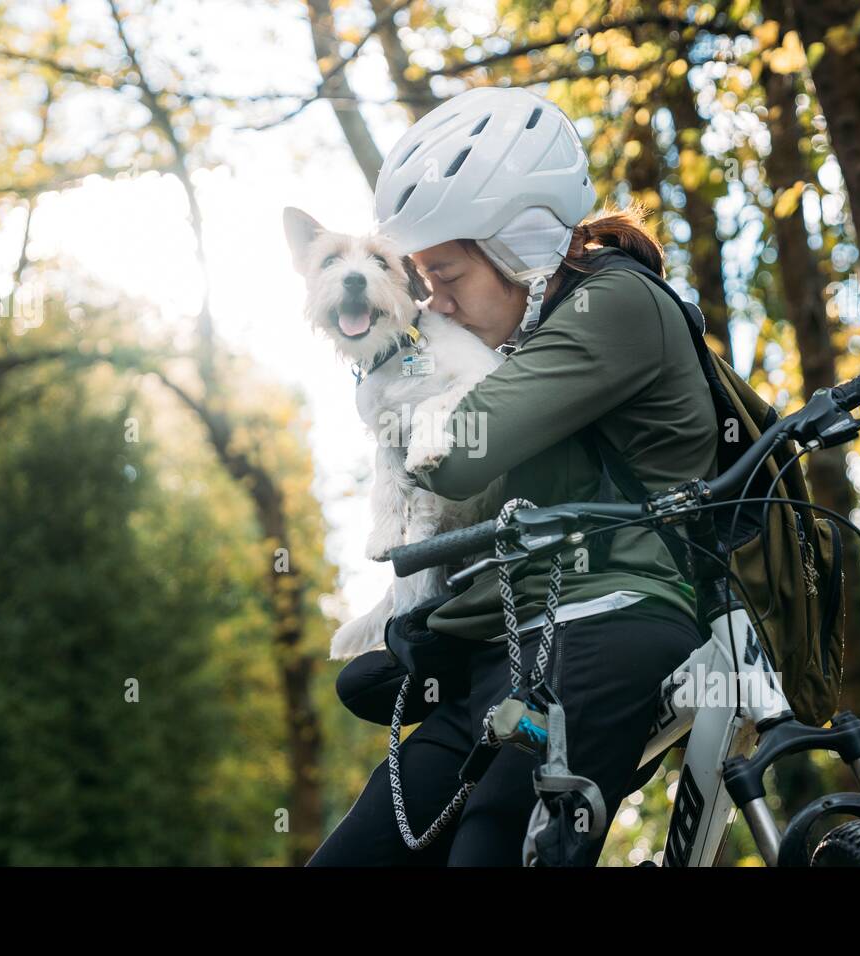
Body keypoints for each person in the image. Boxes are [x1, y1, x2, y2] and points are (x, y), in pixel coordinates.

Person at [307, 87, 718, 867]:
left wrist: (401, 398)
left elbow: (456, 452)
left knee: (493, 850)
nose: (435, 301)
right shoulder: (517, 345)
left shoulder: (614, 304)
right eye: (422, 281)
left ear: (520, 245)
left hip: (611, 620)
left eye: (448, 273)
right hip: (507, 651)